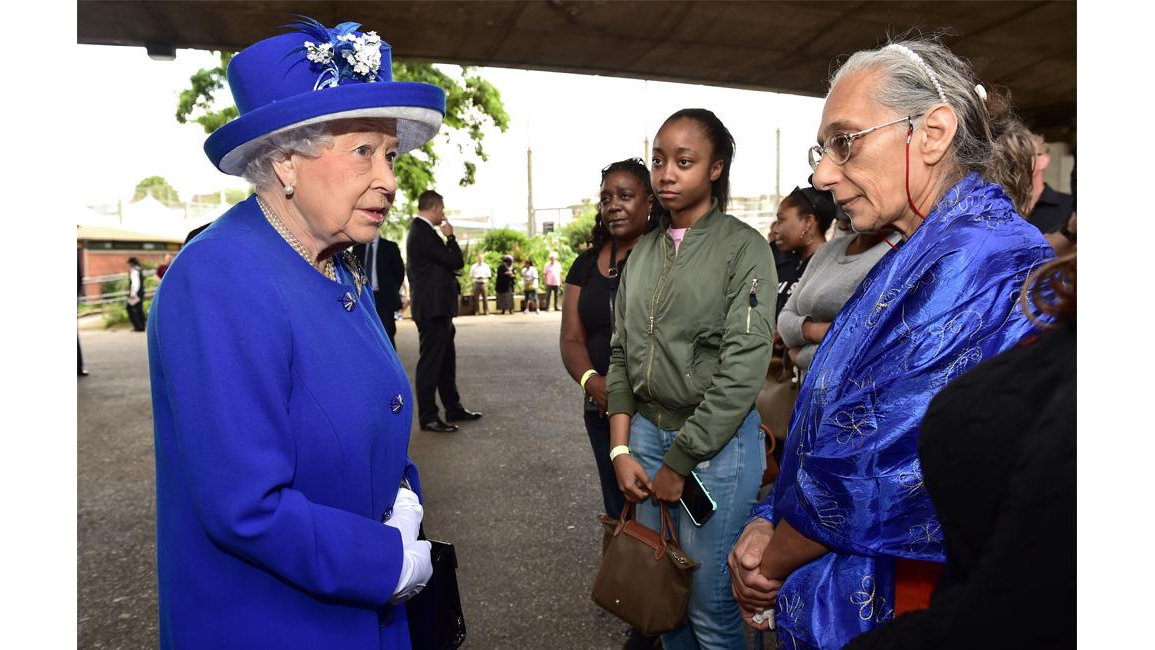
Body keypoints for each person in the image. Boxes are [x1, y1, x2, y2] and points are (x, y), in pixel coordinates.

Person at [728, 38, 1055, 649]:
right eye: (821, 150)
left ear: (932, 135)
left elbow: (871, 466)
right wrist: (768, 516)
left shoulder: (978, 256)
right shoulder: (919, 247)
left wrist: (768, 564)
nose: (823, 174)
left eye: (845, 142)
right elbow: (834, 417)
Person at [147, 18, 445, 648]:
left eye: (390, 154)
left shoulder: (333, 263)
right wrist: (386, 561)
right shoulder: (222, 277)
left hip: (359, 613)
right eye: (363, 151)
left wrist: (400, 494)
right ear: (285, 159)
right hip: (277, 622)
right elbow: (246, 507)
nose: (390, 180)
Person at [606, 109, 777, 649]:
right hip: (647, 438)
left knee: (711, 608)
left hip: (714, 450)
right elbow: (619, 357)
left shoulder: (744, 249)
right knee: (667, 603)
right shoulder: (643, 253)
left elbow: (742, 373)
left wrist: (680, 462)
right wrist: (620, 451)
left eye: (684, 161)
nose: (667, 173)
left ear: (716, 168)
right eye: (659, 160)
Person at [407, 190, 482, 432]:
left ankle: (453, 407)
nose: (444, 214)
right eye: (442, 209)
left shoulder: (423, 231)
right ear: (436, 208)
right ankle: (429, 416)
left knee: (446, 360)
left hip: (437, 308)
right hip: (432, 308)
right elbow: (455, 262)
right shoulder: (422, 232)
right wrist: (450, 238)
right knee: (431, 363)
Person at [353, 233, 406, 347]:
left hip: (385, 298)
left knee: (387, 333)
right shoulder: (358, 247)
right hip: (363, 297)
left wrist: (391, 290)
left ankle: (390, 363)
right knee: (366, 333)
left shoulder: (390, 247)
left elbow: (399, 272)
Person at [125, 257, 146, 331]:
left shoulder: (134, 271)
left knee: (129, 308)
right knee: (139, 309)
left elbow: (135, 283)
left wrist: (133, 294)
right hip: (141, 292)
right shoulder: (139, 269)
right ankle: (142, 326)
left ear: (131, 263)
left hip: (136, 293)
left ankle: (138, 326)